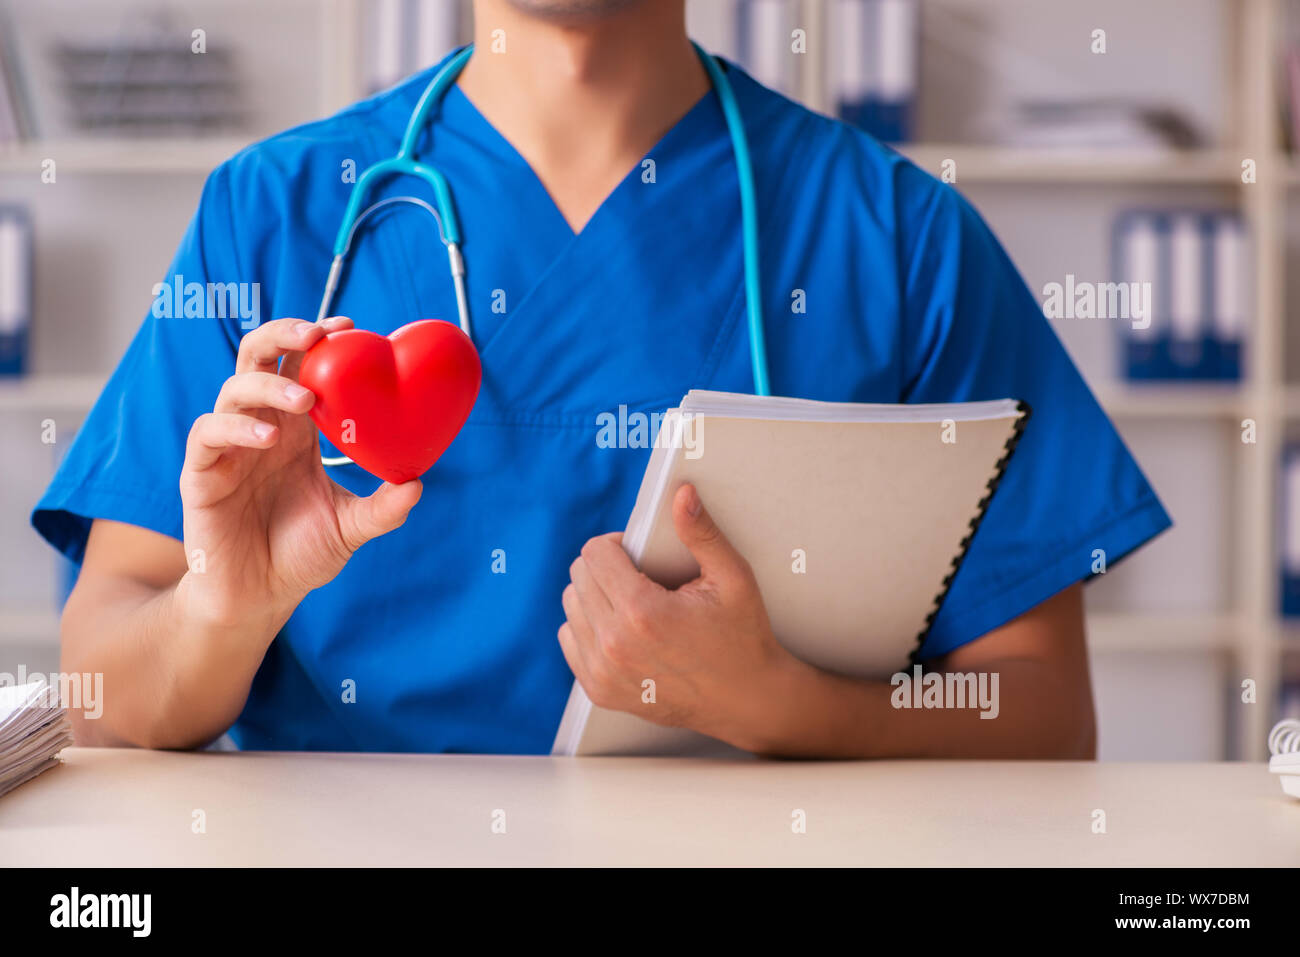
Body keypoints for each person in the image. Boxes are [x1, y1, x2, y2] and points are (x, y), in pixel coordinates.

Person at [33, 0, 1170, 757]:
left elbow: (1042, 714)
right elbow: (102, 692)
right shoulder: (273, 214)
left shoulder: (897, 237)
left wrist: (788, 705)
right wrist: (220, 615)